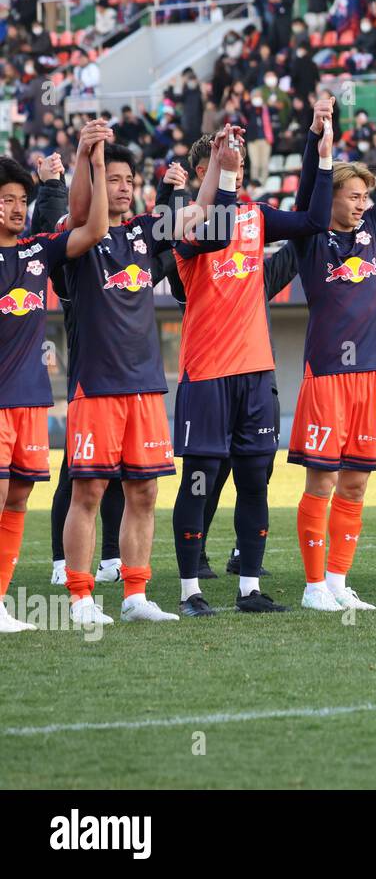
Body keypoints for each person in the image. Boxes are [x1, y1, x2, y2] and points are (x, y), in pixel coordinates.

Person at [170, 124, 331, 616]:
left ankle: (249, 590)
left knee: (255, 479)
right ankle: (189, 591)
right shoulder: (181, 222)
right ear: (208, 171)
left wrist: (320, 155)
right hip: (208, 372)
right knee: (199, 478)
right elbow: (216, 235)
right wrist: (226, 169)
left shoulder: (256, 216)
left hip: (256, 371)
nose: (233, 166)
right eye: (222, 159)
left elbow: (314, 220)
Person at [287, 87, 376, 611]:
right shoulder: (312, 233)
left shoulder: (371, 229)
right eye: (354, 195)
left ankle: (340, 582)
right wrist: (318, 131)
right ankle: (313, 585)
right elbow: (307, 191)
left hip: (371, 370)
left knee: (356, 483)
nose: (364, 202)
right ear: (334, 197)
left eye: (367, 196)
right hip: (326, 373)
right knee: (321, 480)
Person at [60, 139, 187, 624]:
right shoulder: (77, 237)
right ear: (94, 184)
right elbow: (77, 211)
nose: (123, 188)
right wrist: (87, 158)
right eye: (112, 179)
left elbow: (183, 221)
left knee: (145, 492)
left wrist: (218, 164)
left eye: (128, 181)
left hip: (145, 385)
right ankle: (79, 598)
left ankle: (135, 596)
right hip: (96, 386)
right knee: (88, 493)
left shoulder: (141, 235)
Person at [0, 143, 110, 633]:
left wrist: (95, 163)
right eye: (6, 199)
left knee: (19, 499)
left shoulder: (36, 250)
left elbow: (95, 230)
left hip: (30, 402)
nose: (16, 207)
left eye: (21, 199)